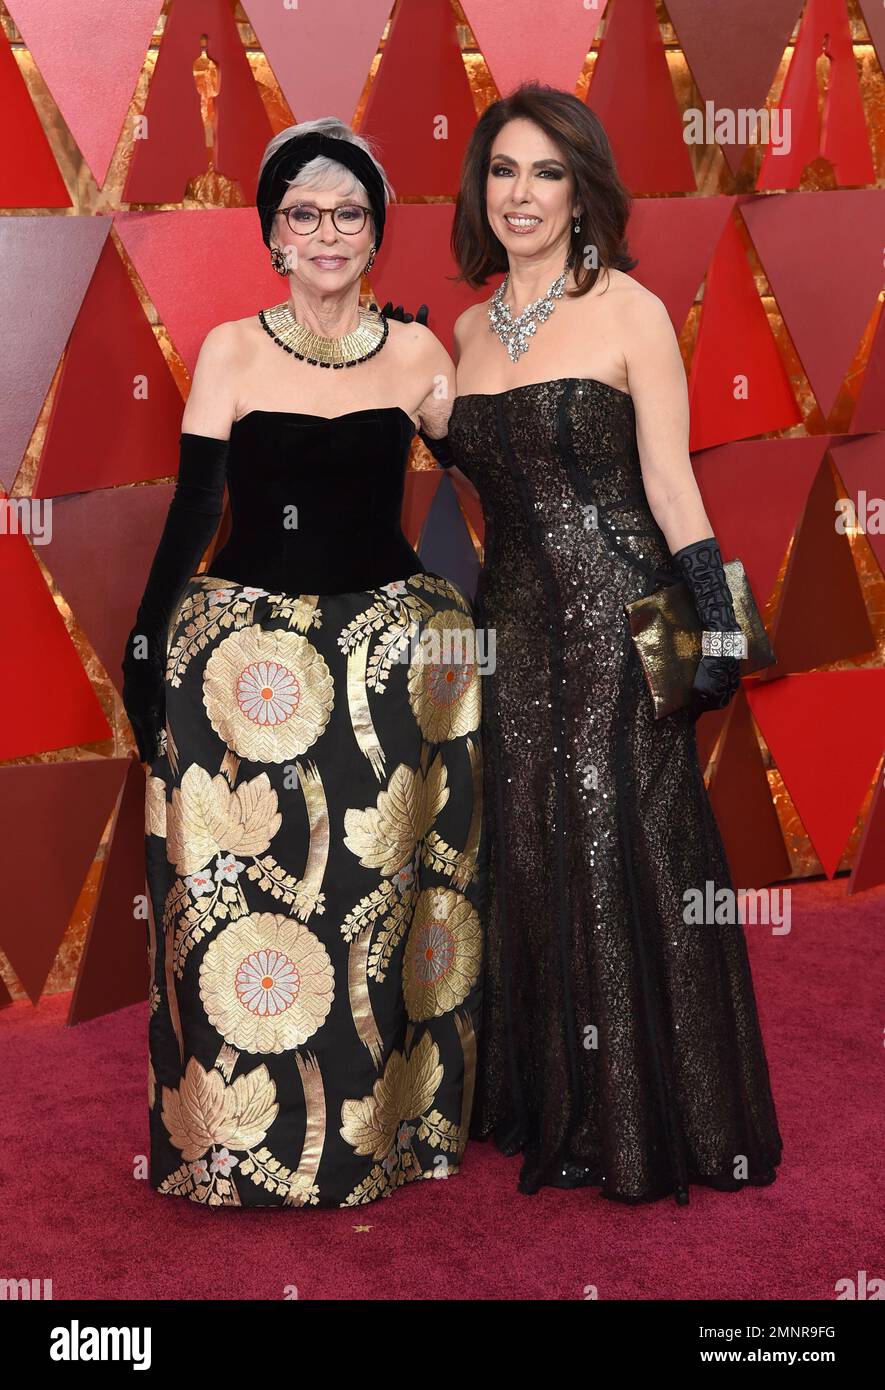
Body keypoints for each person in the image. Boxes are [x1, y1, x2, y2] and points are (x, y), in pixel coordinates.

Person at [423, 84, 783, 1203]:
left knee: (614, 820)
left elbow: (672, 481)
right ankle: (563, 1102)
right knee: (527, 839)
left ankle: (654, 1113)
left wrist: (716, 622)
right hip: (514, 629)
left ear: (584, 193)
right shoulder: (464, 334)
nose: (521, 194)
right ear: (482, 190)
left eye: (547, 173)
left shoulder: (629, 309)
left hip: (630, 613)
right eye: (502, 172)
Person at [121, 118, 486, 1209]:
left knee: (375, 904)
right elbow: (195, 513)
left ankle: (376, 1136)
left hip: (385, 663)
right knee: (240, 902)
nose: (327, 231)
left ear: (375, 232)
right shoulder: (231, 348)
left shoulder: (420, 354)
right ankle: (237, 1144)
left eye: (349, 213)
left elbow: (502, 485)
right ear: (273, 233)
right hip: (247, 668)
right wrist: (146, 654)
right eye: (303, 213)